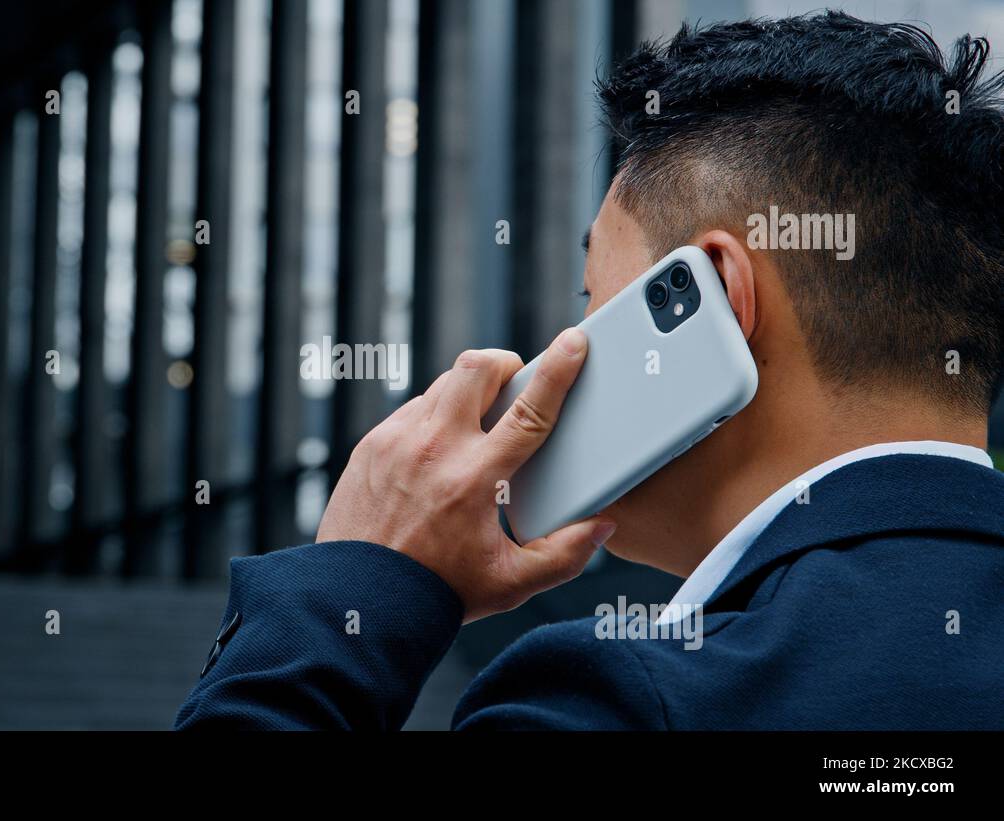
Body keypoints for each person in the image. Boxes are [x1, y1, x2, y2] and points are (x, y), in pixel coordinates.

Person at [176, 12, 1004, 730]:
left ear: (721, 294)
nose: (569, 348)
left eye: (593, 304)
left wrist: (355, 583)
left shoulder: (624, 700)